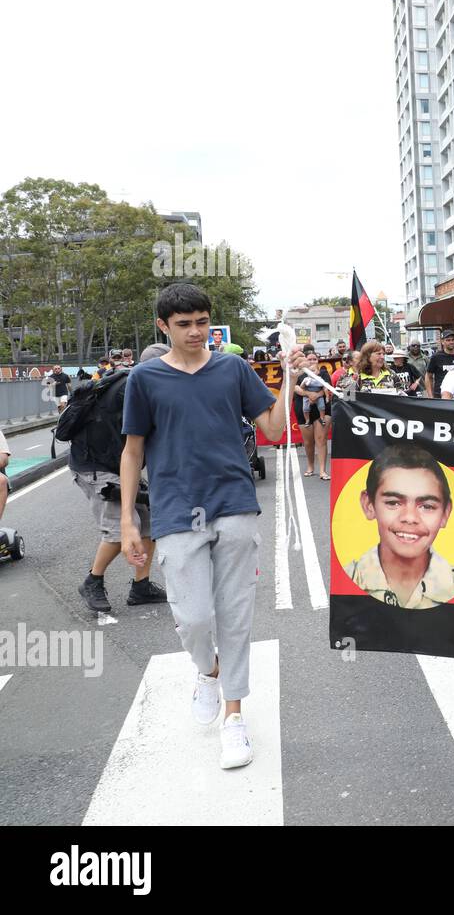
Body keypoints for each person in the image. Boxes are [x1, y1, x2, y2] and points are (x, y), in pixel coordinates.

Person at [119, 283, 306, 770]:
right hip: (177, 509)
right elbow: (132, 450)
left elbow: (269, 428)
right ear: (163, 326)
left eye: (202, 322)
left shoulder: (232, 368)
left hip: (234, 502)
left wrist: (287, 376)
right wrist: (127, 521)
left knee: (236, 614)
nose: (196, 332)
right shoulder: (144, 379)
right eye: (184, 324)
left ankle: (235, 717)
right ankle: (208, 671)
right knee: (195, 617)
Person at [58, 344, 169, 613]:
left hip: (115, 463)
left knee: (148, 523)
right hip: (96, 465)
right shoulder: (132, 389)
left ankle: (141, 586)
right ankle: (92, 581)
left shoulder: (137, 383)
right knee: (121, 529)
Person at [345, 444, 454, 608]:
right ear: (369, 505)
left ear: (445, 513)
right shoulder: (348, 578)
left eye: (427, 506)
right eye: (393, 503)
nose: (410, 518)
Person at [293, 350, 330, 480]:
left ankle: (322, 470)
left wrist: (317, 395)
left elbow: (327, 388)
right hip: (304, 407)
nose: (312, 361)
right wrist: (309, 394)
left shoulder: (323, 372)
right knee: (308, 442)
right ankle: (310, 466)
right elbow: (295, 388)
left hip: (322, 409)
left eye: (315, 359)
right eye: (310, 359)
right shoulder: (299, 373)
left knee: (321, 439)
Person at [425, 330, 454, 398]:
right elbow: (428, 376)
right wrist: (430, 396)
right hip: (440, 395)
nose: (451, 342)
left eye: (453, 340)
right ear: (442, 342)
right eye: (448, 340)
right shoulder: (436, 357)